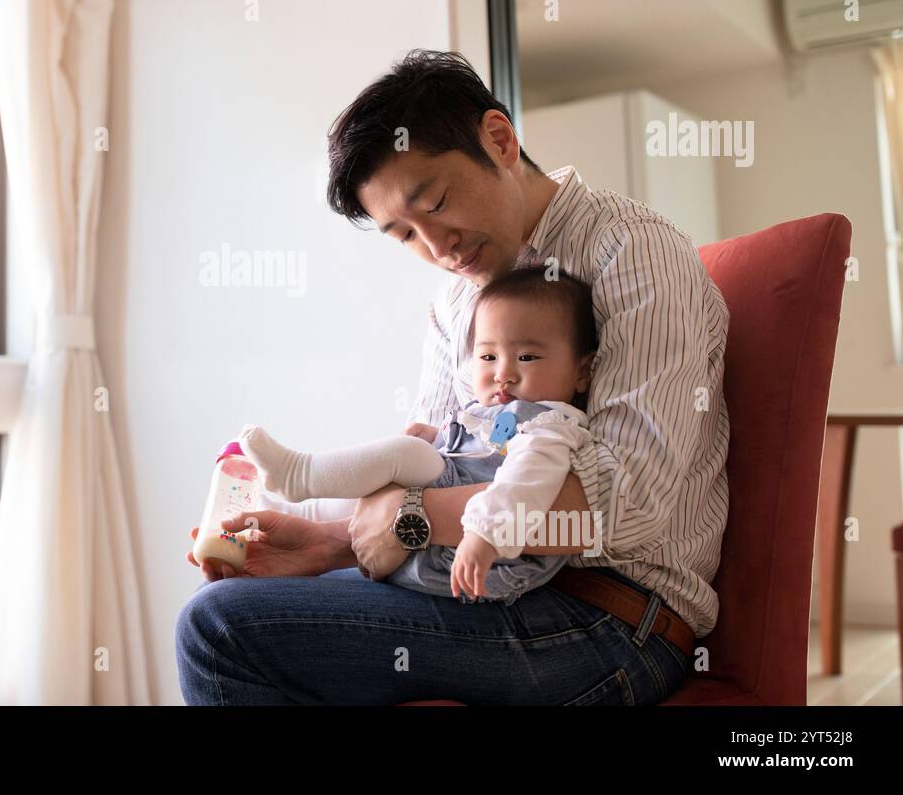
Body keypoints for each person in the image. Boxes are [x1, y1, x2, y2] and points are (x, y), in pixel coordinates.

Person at [177, 49, 729, 705]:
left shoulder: (631, 252)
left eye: (435, 201)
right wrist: (327, 545)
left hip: (610, 618)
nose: (437, 248)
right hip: (484, 586)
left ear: (499, 139)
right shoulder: (458, 304)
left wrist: (409, 519)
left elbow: (624, 504)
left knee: (217, 631)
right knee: (233, 596)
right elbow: (438, 467)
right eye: (404, 234)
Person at [234, 265, 598, 604]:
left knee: (408, 456)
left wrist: (483, 535)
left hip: (483, 560)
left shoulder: (550, 428)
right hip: (434, 544)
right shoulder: (491, 412)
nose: (503, 373)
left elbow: (524, 485)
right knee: (396, 470)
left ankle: (296, 475)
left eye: (527, 358)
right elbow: (478, 454)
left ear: (582, 372)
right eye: (488, 358)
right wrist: (439, 439)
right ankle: (288, 510)